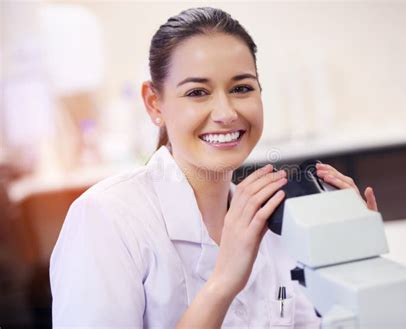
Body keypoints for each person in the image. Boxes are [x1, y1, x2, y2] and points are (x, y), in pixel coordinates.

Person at [50, 7, 378, 328]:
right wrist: (223, 284)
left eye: (241, 88)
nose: (225, 112)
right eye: (197, 92)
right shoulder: (105, 219)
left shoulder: (269, 217)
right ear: (154, 103)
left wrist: (355, 253)